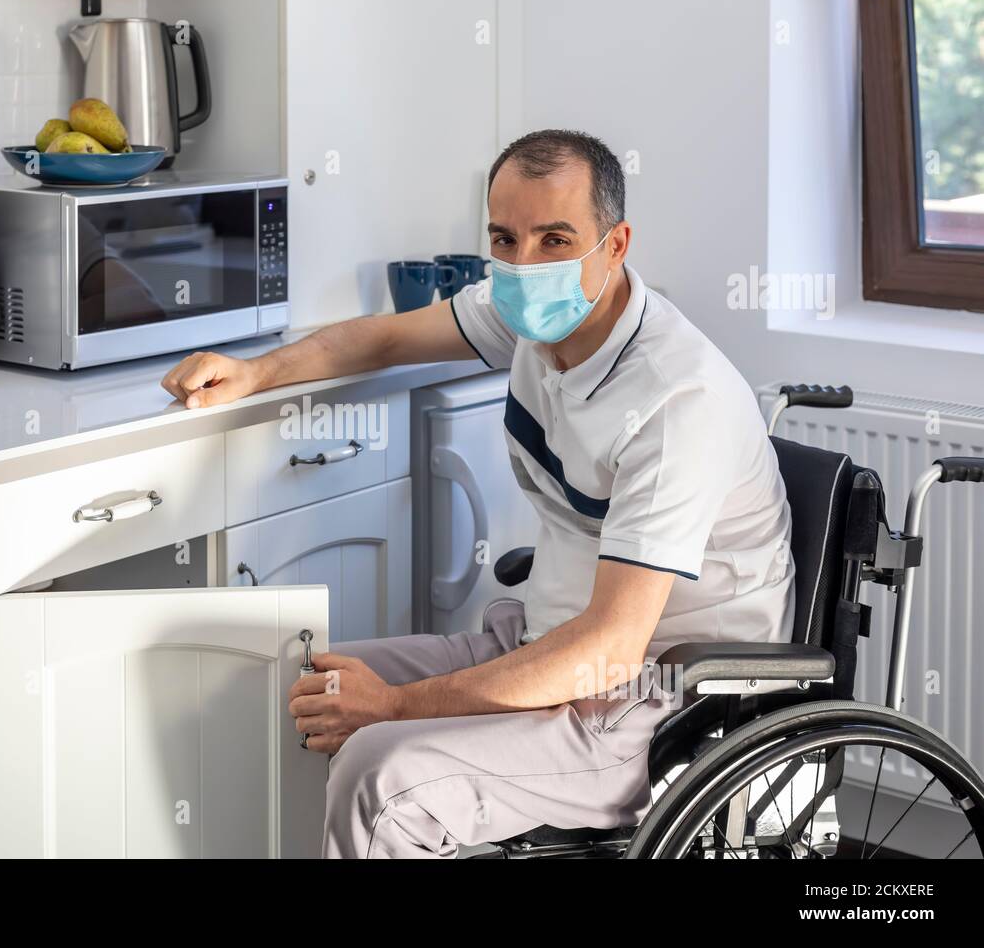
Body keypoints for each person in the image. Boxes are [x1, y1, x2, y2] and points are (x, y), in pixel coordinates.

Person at [160, 129, 793, 858]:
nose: (524, 266)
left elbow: (612, 651)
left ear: (616, 245)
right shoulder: (537, 312)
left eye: (556, 239)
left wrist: (395, 707)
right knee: (289, 689)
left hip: (658, 704)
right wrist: (257, 372)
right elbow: (387, 340)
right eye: (505, 238)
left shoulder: (678, 400)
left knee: (380, 774)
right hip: (540, 645)